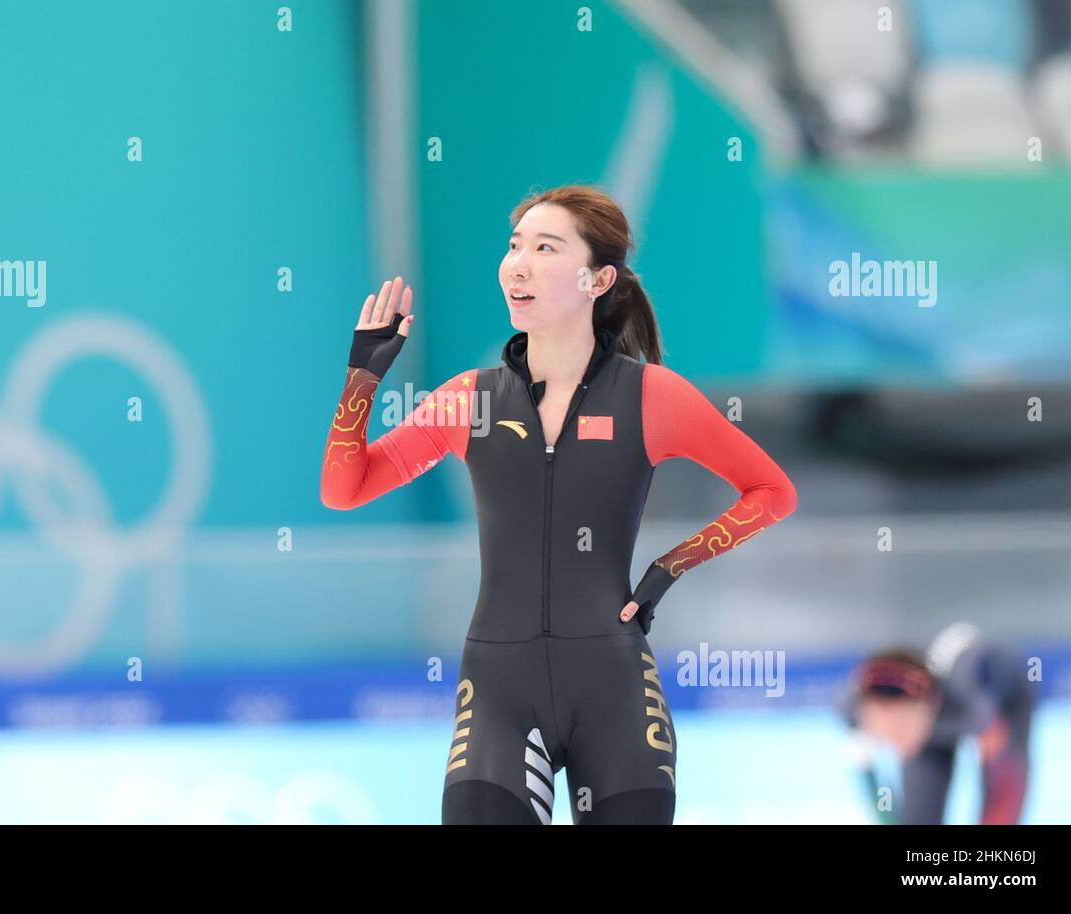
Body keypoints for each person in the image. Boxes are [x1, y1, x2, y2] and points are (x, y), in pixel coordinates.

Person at [321, 184, 799, 824]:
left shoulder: (651, 396)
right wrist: (363, 375)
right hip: (499, 688)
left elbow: (772, 492)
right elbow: (343, 489)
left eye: (546, 247)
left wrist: (668, 569)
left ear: (598, 279)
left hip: (614, 688)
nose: (519, 263)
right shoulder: (472, 400)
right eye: (515, 245)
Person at [841, 621, 1036, 825]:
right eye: (885, 731)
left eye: (901, 729)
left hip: (1002, 704)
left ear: (932, 704)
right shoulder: (850, 708)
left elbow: (1003, 781)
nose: (895, 742)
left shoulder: (971, 699)